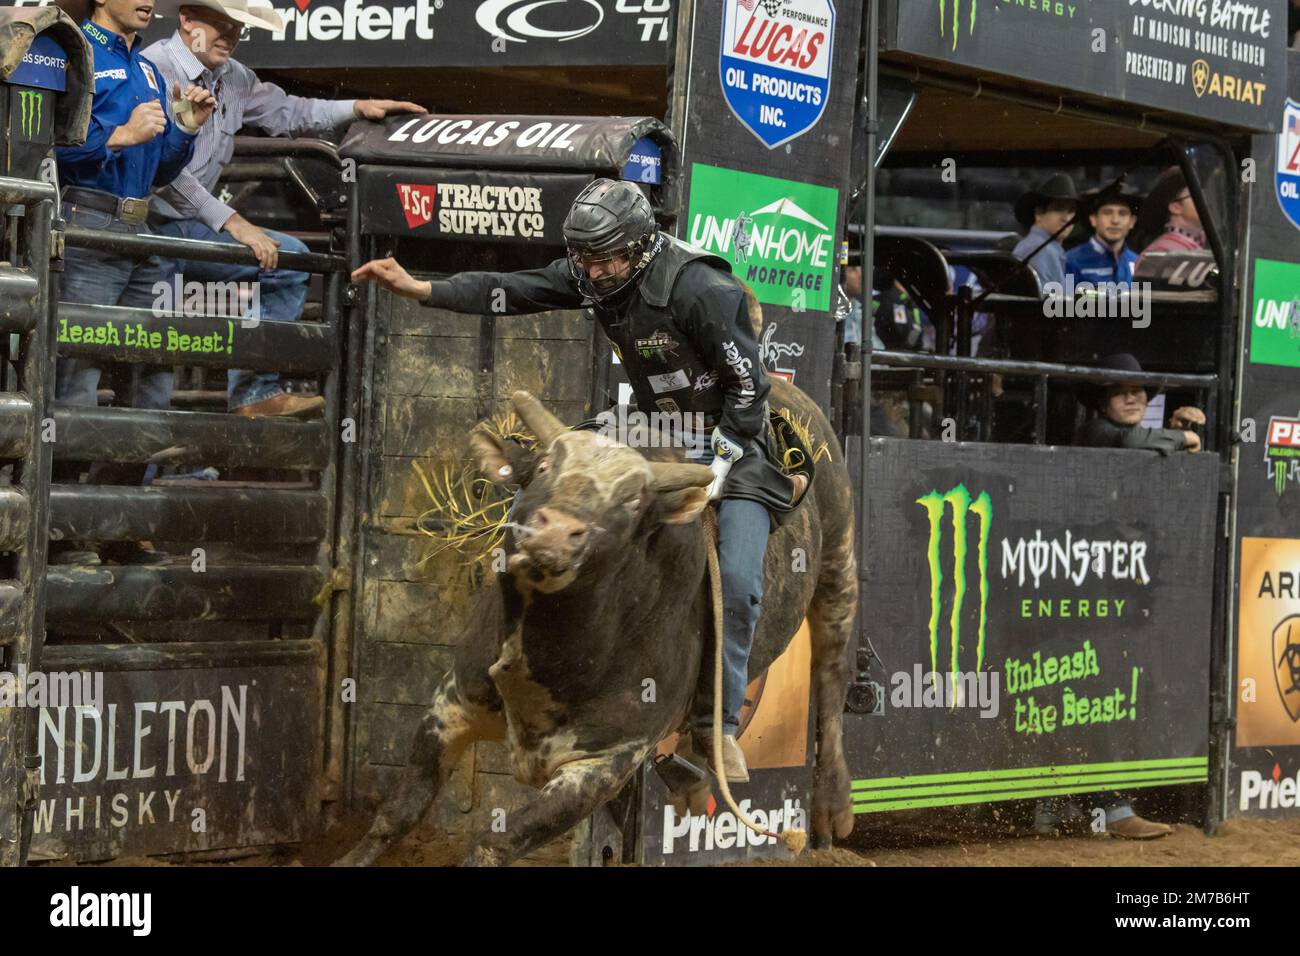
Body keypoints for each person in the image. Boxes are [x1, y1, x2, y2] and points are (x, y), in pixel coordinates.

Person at [351, 179, 810, 783]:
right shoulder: (594, 271)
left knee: (743, 581)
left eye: (605, 259)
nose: (592, 273)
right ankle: (509, 662)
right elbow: (512, 290)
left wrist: (719, 461)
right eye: (583, 260)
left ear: (641, 249)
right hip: (647, 429)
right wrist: (424, 288)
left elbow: (749, 384)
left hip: (732, 438)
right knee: (552, 489)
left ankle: (714, 728)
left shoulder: (702, 289)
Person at [145, 1, 424, 418]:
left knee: (289, 260)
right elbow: (157, 170)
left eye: (237, 25)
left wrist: (356, 107)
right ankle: (135, 478)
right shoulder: (152, 68)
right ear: (186, 19)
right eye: (219, 22)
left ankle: (255, 394)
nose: (230, 33)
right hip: (141, 226)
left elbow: (290, 111)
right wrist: (234, 222)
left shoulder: (234, 78)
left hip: (188, 225)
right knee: (150, 354)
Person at [51, 0, 217, 565]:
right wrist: (117, 136)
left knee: (148, 383)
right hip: (87, 222)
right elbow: (43, 146)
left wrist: (185, 132)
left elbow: (163, 170)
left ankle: (117, 523)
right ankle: (63, 532)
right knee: (74, 379)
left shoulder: (147, 70)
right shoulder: (72, 50)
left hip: (138, 228)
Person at [1076, 352, 1204, 455]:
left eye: (1136, 390)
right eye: (1119, 393)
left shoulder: (1145, 436)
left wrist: (1180, 430)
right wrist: (1182, 437)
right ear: (1103, 404)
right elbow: (1129, 440)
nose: (1131, 399)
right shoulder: (1094, 431)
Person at [1064, 184, 1142, 290]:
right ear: (1093, 219)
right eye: (1107, 212)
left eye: (1122, 214)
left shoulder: (1138, 263)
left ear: (1132, 222)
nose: (1115, 220)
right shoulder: (1071, 261)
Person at [1011, 173, 1079, 290]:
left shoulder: (1041, 247)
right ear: (1038, 214)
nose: (1066, 218)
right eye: (1058, 209)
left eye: (1071, 211)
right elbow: (1044, 305)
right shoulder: (1041, 250)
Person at [1138, 167, 1206, 262]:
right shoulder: (1163, 252)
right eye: (1195, 195)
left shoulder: (1198, 243)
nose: (1204, 201)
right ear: (1176, 207)